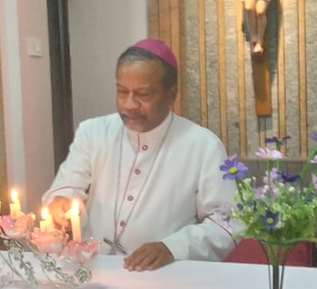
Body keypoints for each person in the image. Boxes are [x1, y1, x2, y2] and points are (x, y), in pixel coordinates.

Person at [42, 39, 236, 271]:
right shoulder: (92, 132)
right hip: (94, 269)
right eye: (122, 92)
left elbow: (227, 223)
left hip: (163, 277)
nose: (129, 105)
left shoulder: (203, 145)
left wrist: (172, 247)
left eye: (142, 94)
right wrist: (60, 201)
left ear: (170, 95)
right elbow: (66, 185)